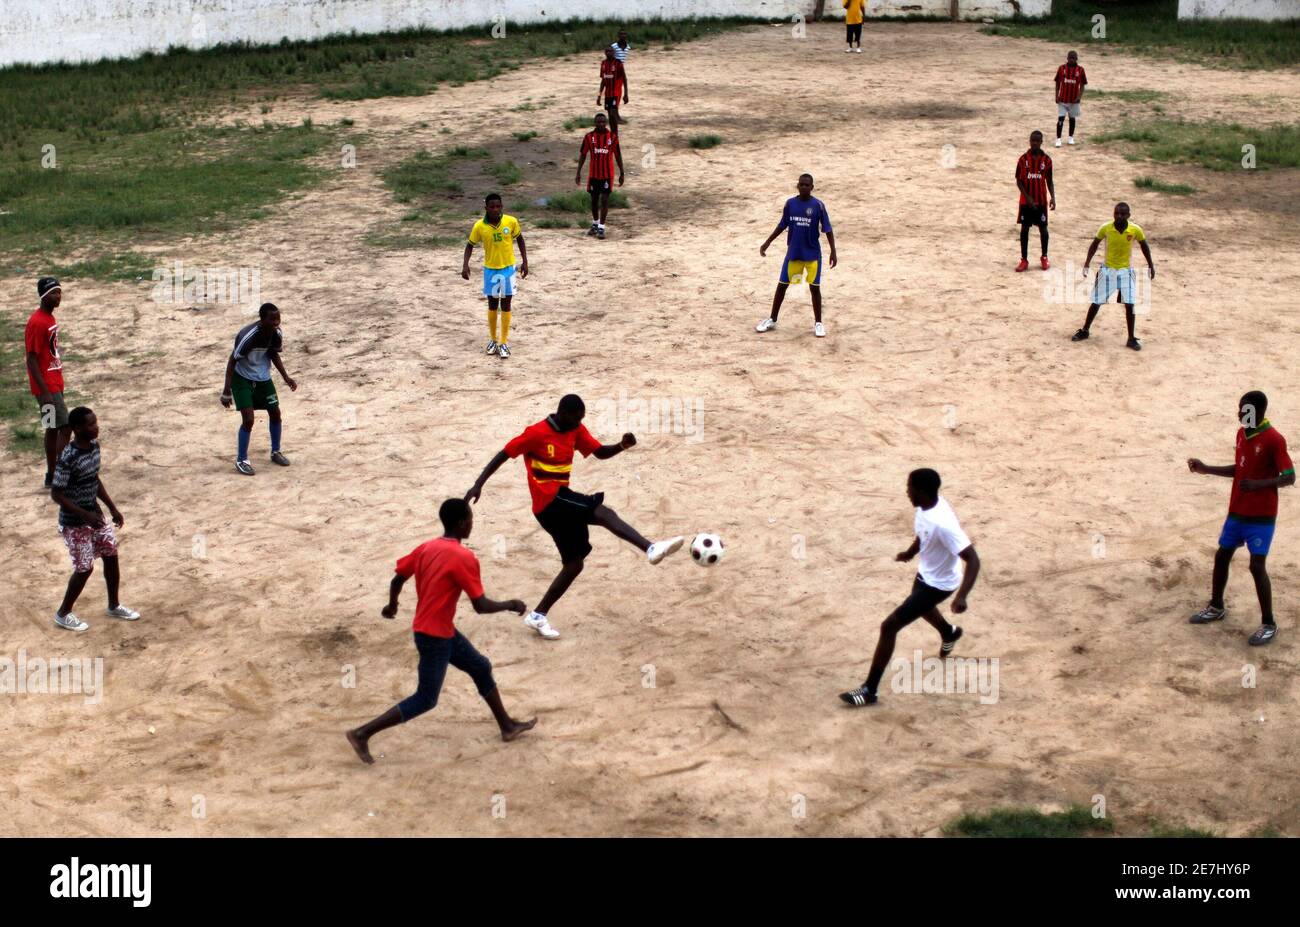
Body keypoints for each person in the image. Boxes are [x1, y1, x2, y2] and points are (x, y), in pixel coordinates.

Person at [465, 394, 684, 640]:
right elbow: (503, 454)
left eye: (582, 419)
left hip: (557, 502)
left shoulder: (575, 429)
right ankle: (650, 548)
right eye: (577, 418)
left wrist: (621, 446)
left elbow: (599, 452)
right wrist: (478, 484)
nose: (580, 423)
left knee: (574, 564)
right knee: (601, 512)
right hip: (549, 501)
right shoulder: (536, 433)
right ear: (563, 413)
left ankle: (537, 615)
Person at [346, 498, 537, 764]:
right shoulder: (463, 557)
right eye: (470, 519)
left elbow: (398, 577)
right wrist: (510, 604)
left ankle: (507, 726)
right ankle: (362, 733)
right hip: (435, 638)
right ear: (461, 524)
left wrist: (392, 604)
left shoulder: (426, 547)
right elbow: (480, 606)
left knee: (480, 667)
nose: (472, 523)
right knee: (426, 698)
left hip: (438, 630)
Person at [841, 468, 979, 707]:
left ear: (922, 491)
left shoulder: (944, 524)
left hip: (939, 584)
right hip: (926, 574)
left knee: (889, 626)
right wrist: (910, 553)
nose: (907, 491)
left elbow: (973, 560)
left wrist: (962, 597)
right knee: (920, 606)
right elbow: (922, 535)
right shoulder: (925, 507)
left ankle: (869, 690)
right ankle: (949, 632)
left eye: (910, 487)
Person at [1187, 391, 1294, 646]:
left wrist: (1259, 485)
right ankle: (1216, 606)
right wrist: (1206, 469)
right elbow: (1240, 470)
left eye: (1245, 410)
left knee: (1257, 566)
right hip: (1237, 511)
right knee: (1222, 556)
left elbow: (1289, 476)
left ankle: (1269, 623)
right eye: (1239, 409)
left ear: (1259, 412)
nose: (1240, 414)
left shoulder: (1274, 440)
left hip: (1262, 516)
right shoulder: (1241, 434)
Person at [49, 406, 140, 632]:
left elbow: (94, 479)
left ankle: (114, 605)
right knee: (84, 568)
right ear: (77, 429)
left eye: (96, 422)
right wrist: (84, 514)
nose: (96, 427)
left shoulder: (94, 448)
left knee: (111, 554)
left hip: (95, 515)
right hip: (74, 522)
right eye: (91, 424)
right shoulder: (67, 458)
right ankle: (63, 613)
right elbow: (56, 493)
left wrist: (112, 508)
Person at [755, 173, 837, 338]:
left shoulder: (818, 206)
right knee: (782, 286)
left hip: (812, 255)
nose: (804, 187)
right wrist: (767, 242)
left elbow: (827, 229)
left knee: (815, 289)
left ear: (812, 187)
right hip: (793, 254)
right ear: (797, 186)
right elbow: (782, 224)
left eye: (807, 185)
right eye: (802, 184)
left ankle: (818, 323)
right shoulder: (790, 204)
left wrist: (833, 251)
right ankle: (772, 319)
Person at [221, 302, 298, 475]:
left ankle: (276, 451)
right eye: (272, 319)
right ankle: (241, 460)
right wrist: (226, 391)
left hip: (263, 378)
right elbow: (233, 360)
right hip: (241, 379)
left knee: (275, 413)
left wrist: (286, 377)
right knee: (248, 419)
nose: (276, 322)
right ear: (262, 320)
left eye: (278, 318)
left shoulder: (276, 333)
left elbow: (273, 353)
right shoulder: (248, 336)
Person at [1071, 202, 1155, 351]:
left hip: (1126, 272)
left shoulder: (1135, 230)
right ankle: (1085, 330)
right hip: (1107, 270)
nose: (1119, 216)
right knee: (1096, 302)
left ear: (1129, 215)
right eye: (1116, 213)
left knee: (1129, 304)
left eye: (1123, 214)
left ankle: (1131, 338)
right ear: (1113, 214)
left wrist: (1151, 265)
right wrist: (1087, 263)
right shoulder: (1106, 228)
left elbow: (1144, 246)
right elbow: (1094, 244)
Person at [463, 193, 528, 359]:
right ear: (486, 208)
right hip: (490, 270)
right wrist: (465, 265)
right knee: (492, 304)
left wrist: (525, 262)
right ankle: (492, 339)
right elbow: (470, 245)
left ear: (502, 207)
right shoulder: (479, 226)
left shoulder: (511, 222)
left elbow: (520, 240)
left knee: (506, 304)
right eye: (491, 207)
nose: (495, 209)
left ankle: (503, 342)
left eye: (498, 206)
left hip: (508, 269)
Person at [25, 277, 70, 488]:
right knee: (65, 425)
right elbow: (31, 359)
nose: (58, 296)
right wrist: (44, 391)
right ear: (43, 295)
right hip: (46, 387)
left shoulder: (49, 318)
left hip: (55, 382)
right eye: (53, 293)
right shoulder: (37, 322)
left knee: (52, 427)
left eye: (59, 292)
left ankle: (51, 475)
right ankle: (60, 471)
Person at [575, 112, 624, 240]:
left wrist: (622, 172)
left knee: (605, 200)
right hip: (593, 175)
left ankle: (601, 227)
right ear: (595, 123)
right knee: (594, 201)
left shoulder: (612, 138)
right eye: (599, 122)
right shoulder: (588, 137)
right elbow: (583, 155)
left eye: (603, 122)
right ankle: (595, 224)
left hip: (607, 175)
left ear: (606, 123)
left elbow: (618, 155)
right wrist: (578, 172)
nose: (601, 124)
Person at [1014, 130, 1055, 272]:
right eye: (1032, 140)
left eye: (1037, 141)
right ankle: (1024, 260)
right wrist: (1028, 197)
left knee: (1043, 229)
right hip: (1026, 202)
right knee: (1024, 229)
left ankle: (1044, 257)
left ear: (1041, 142)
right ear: (1029, 141)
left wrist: (1053, 197)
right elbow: (1018, 181)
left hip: (1041, 201)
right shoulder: (1023, 160)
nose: (1034, 143)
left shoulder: (1047, 160)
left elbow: (1049, 180)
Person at [1053, 50, 1087, 148]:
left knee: (1072, 119)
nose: (1071, 59)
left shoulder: (1080, 70)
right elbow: (1057, 83)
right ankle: (1058, 139)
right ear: (1067, 58)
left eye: (1073, 58)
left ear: (1076, 59)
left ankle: (1070, 137)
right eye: (1070, 58)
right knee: (1061, 119)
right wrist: (1056, 95)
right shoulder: (1061, 69)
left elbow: (1083, 85)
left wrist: (1079, 97)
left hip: (1073, 100)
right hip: (1063, 99)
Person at [597, 46, 628, 129]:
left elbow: (624, 79)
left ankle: (615, 133)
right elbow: (603, 81)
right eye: (607, 51)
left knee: (612, 114)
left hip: (616, 92)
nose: (608, 53)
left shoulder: (618, 63)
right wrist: (599, 96)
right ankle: (613, 133)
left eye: (610, 51)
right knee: (610, 115)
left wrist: (626, 94)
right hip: (607, 94)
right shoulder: (603, 64)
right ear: (604, 52)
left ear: (614, 52)